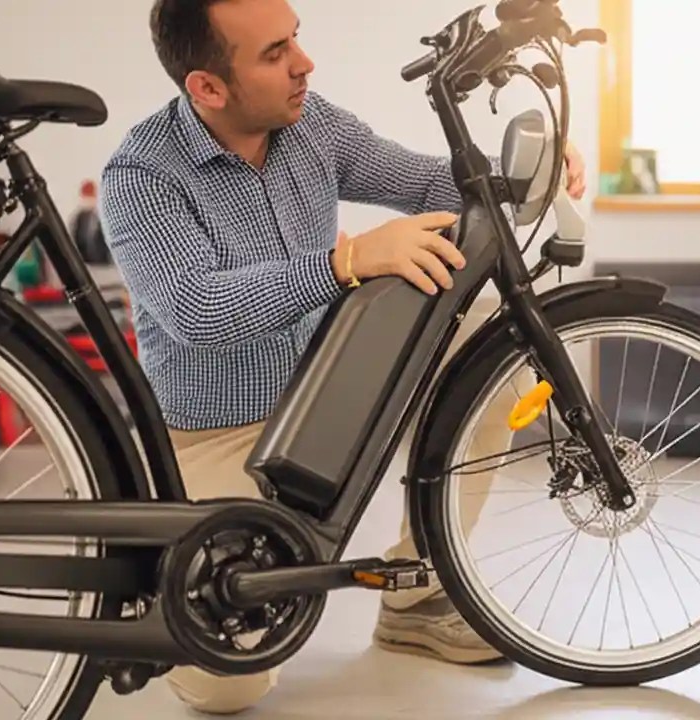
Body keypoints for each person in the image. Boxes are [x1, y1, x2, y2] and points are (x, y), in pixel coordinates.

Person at [99, 0, 586, 714]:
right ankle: (163, 600)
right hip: (211, 433)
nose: (304, 62)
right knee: (228, 685)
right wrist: (348, 260)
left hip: (324, 392)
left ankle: (416, 596)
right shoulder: (141, 175)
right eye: (274, 53)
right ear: (207, 87)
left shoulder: (310, 123)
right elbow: (197, 310)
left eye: (295, 38)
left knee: (487, 348)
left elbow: (429, 181)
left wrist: (523, 175)